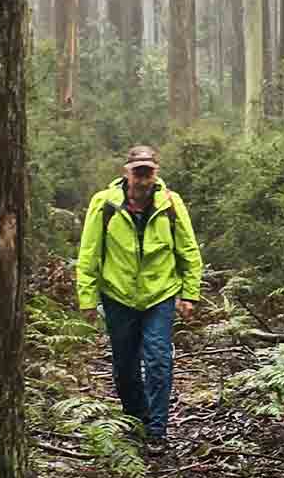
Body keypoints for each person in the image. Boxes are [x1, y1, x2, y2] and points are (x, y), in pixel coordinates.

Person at [76, 144, 204, 449]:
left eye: (148, 173)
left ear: (156, 174)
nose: (142, 180)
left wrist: (190, 294)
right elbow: (89, 253)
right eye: (138, 172)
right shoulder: (104, 204)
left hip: (160, 294)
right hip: (117, 294)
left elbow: (188, 249)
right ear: (126, 173)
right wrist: (87, 298)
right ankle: (136, 419)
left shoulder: (171, 204)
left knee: (159, 358)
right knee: (124, 364)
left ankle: (157, 430)